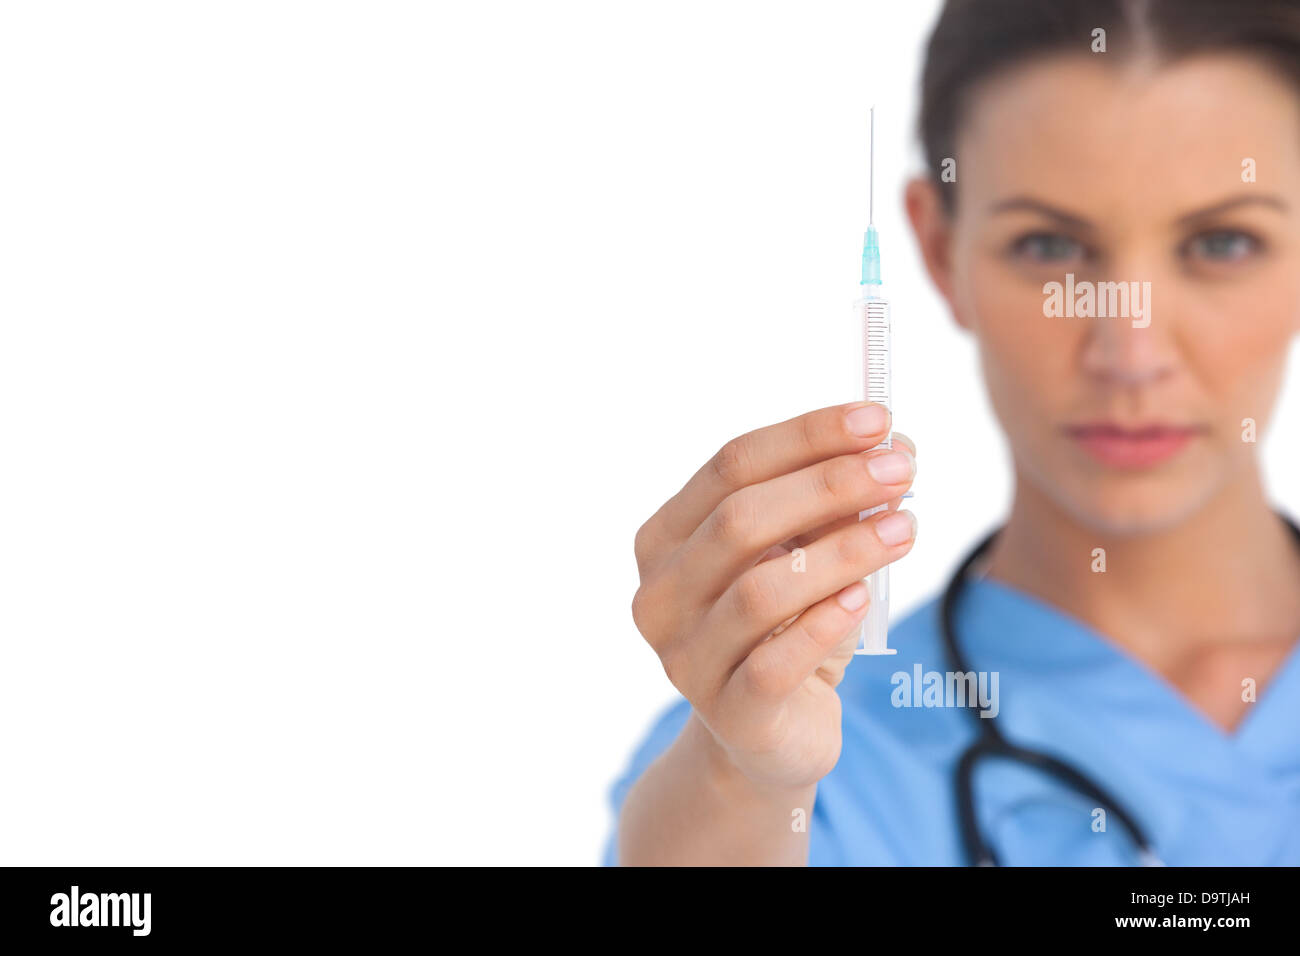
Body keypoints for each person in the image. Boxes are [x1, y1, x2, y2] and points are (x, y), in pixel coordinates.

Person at [606, 0, 1300, 866]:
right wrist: (745, 777)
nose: (1132, 351)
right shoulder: (790, 742)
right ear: (939, 250)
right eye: (1049, 246)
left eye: (1224, 243)